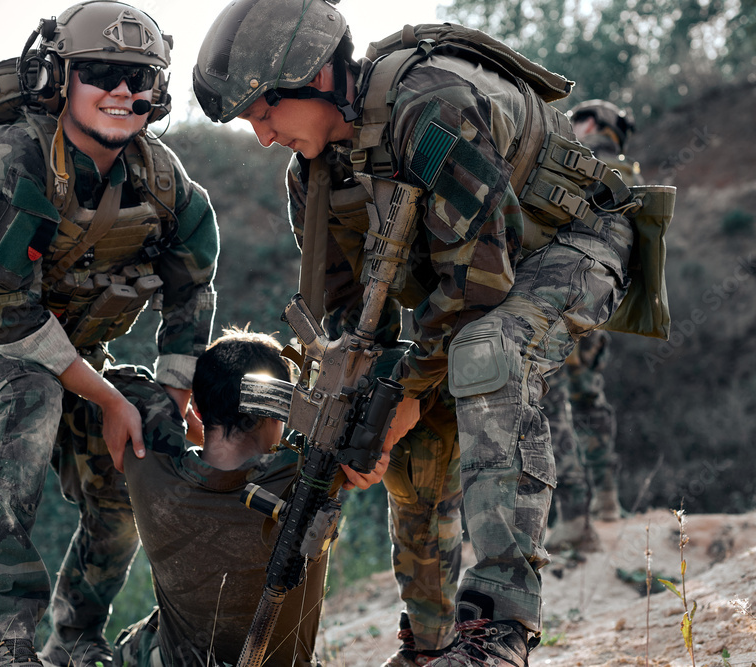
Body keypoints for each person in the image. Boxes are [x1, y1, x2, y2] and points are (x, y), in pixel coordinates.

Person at [193, 4, 641, 665]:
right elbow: (348, 318)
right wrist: (360, 415)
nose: (262, 136)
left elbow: (482, 274)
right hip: (466, 286)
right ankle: (431, 642)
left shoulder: (430, 105)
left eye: (266, 112)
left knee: (486, 353)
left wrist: (406, 393)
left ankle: (497, 628)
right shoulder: (314, 176)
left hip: (566, 244)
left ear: (316, 76)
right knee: (395, 424)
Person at [0, 3, 219, 665]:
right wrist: (107, 400)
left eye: (138, 77)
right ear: (61, 77)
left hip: (76, 351)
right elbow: (11, 321)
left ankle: (78, 637)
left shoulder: (163, 181)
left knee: (144, 439)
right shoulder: (12, 160)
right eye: (101, 72)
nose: (122, 91)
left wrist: (166, 396)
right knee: (31, 394)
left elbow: (192, 286)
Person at [89, 329, 327, 666]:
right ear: (279, 408)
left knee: (138, 640)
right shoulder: (309, 476)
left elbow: (129, 382)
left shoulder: (148, 464)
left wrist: (176, 413)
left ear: (198, 408)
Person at [542, 99, 638, 552]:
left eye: (577, 120)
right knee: (590, 400)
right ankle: (607, 501)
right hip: (599, 307)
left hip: (561, 297)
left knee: (554, 403)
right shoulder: (627, 170)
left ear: (592, 123)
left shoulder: (582, 162)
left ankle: (574, 517)